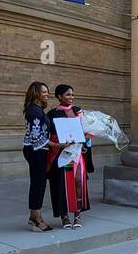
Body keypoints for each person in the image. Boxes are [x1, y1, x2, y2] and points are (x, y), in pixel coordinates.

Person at [47, 83, 93, 230]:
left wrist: (86, 137)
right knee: (63, 184)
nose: (71, 97)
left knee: (78, 182)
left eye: (72, 94)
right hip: (62, 154)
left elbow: (88, 131)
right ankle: (64, 215)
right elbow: (50, 135)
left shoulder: (78, 112)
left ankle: (78, 214)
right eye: (68, 94)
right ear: (59, 96)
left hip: (77, 153)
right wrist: (59, 142)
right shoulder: (52, 114)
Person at [22, 82, 55, 231]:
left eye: (47, 92)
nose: (47, 94)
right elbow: (36, 136)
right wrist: (55, 145)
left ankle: (33, 217)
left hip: (39, 150)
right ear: (36, 93)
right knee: (38, 184)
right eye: (44, 92)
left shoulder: (37, 110)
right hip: (36, 151)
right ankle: (36, 218)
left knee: (39, 183)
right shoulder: (34, 111)